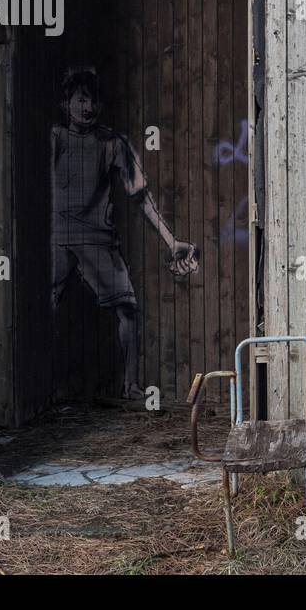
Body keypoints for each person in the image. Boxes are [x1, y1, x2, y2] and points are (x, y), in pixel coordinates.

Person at [50, 67, 199, 399]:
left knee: (128, 308)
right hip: (57, 237)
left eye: (94, 101)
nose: (89, 108)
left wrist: (171, 240)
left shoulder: (113, 143)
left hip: (98, 239)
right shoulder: (54, 139)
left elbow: (140, 195)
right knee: (45, 305)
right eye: (82, 99)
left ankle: (130, 386)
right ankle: (44, 388)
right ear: (67, 102)